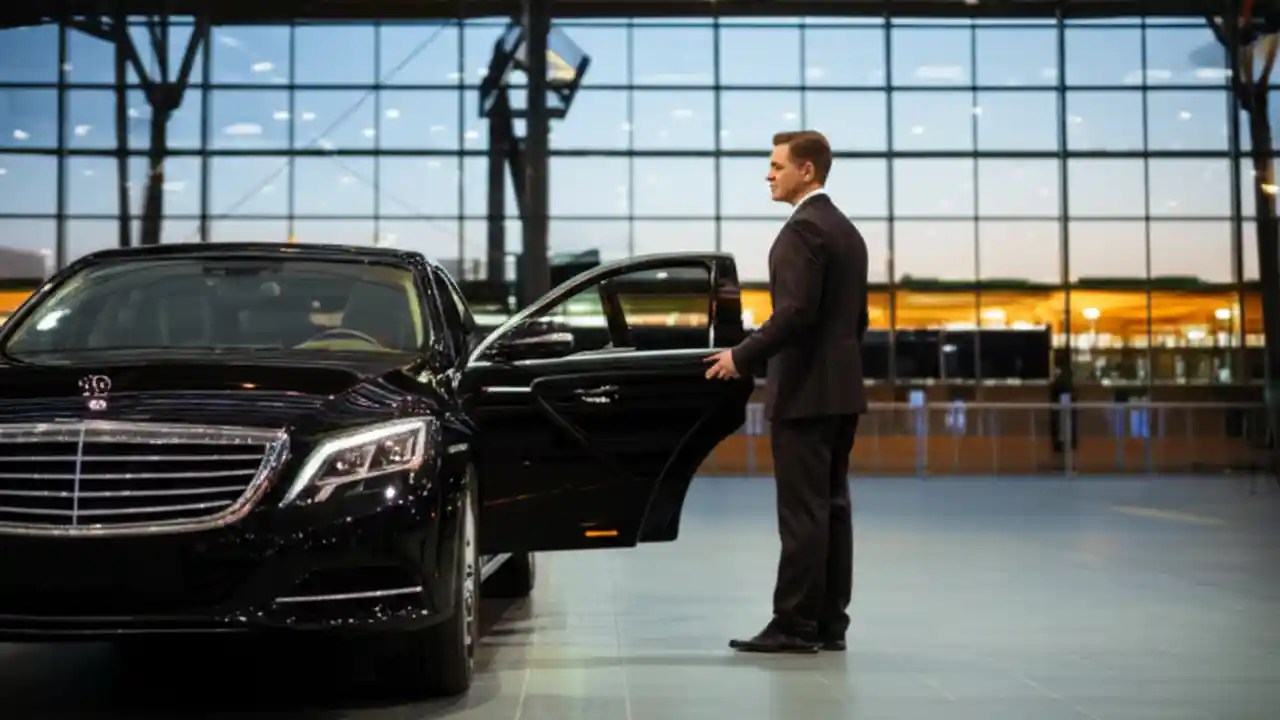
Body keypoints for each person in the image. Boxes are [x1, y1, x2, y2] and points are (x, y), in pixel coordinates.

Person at [705, 129, 869, 654]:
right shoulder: (846, 231)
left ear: (807, 171)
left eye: (777, 166)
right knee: (832, 509)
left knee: (802, 514)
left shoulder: (802, 231)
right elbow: (857, 320)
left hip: (804, 394)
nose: (768, 174)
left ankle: (794, 624)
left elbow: (795, 313)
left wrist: (740, 356)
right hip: (842, 392)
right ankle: (828, 623)